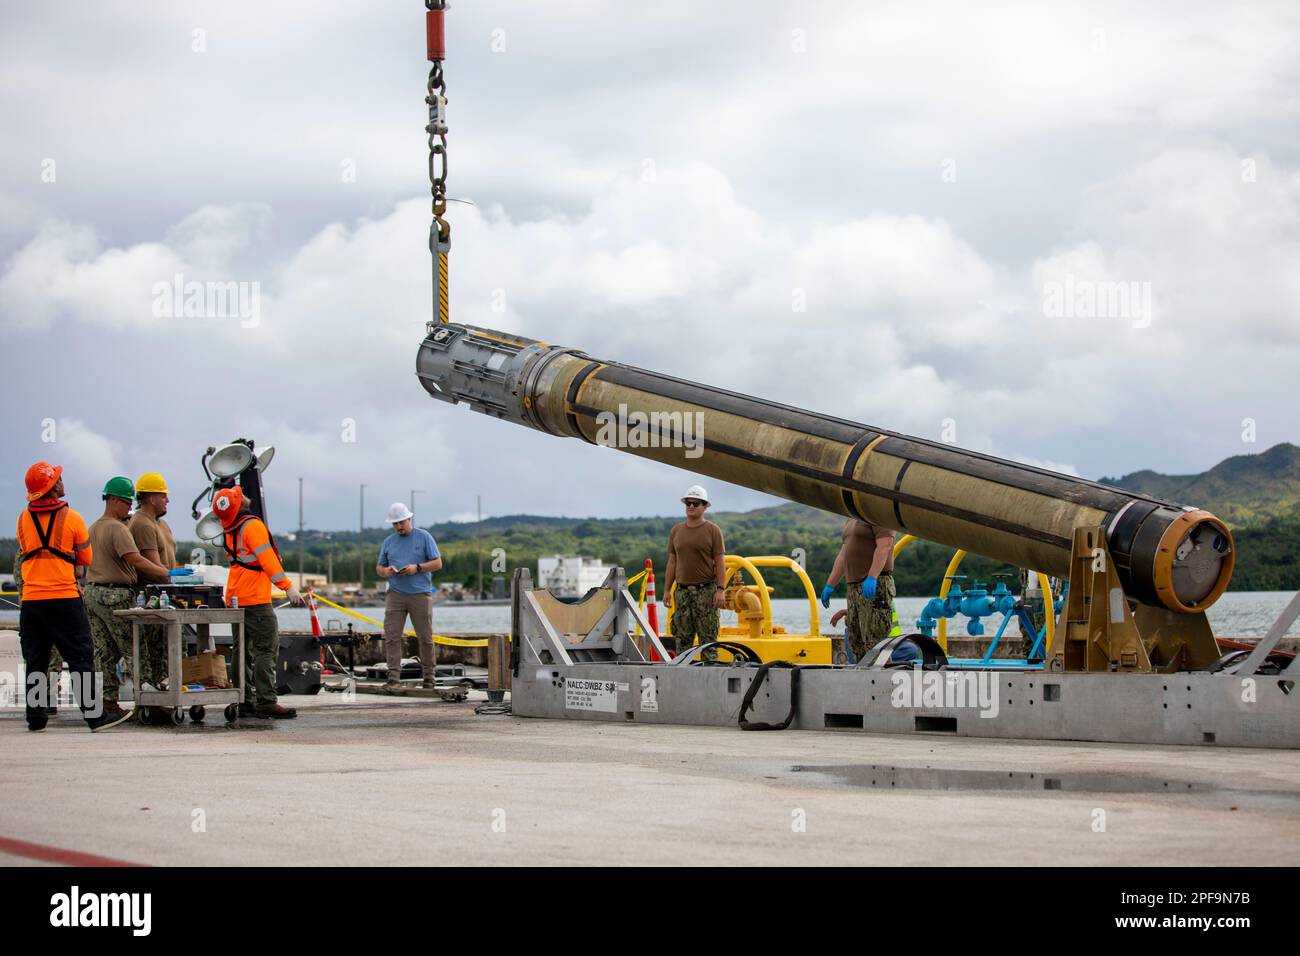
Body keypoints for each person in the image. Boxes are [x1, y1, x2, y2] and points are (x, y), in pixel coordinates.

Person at [15, 461, 130, 732]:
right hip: (63, 598)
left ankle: (36, 718)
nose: (62, 481)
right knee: (80, 657)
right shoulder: (73, 518)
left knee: (36, 660)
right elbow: (85, 558)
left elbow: (24, 550)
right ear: (52, 487)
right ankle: (95, 717)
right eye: (58, 478)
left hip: (31, 601)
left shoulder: (23, 518)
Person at [213, 486, 303, 718]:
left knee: (241, 650)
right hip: (255, 597)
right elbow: (268, 560)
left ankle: (243, 700)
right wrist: (288, 587)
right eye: (238, 494)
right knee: (265, 648)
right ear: (238, 504)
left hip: (235, 595)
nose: (243, 494)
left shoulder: (231, 528)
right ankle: (266, 701)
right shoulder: (252, 526)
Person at [84, 477, 170, 713]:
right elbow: (135, 560)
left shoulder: (93, 527)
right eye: (124, 502)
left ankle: (108, 702)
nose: (128, 508)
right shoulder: (117, 528)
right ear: (112, 500)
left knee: (104, 651)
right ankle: (148, 701)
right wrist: (167, 573)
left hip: (92, 593)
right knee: (134, 649)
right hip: (116, 596)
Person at [376, 502, 443, 690]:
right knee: (392, 637)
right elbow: (379, 568)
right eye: (395, 524)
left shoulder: (424, 537)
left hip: (420, 594)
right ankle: (393, 678)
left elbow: (438, 563)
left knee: (425, 637)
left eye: (401, 522)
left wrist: (418, 567)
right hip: (395, 594)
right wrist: (386, 571)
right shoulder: (388, 542)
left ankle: (429, 678)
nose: (398, 527)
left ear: (409, 519)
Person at [821, 517, 900, 662]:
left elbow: (885, 545)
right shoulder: (851, 518)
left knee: (875, 643)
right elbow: (843, 555)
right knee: (856, 642)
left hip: (875, 584)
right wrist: (830, 584)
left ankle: (881, 680)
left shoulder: (878, 511)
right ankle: (863, 678)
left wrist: (872, 576)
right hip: (853, 587)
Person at [662, 484, 726, 656]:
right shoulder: (676, 530)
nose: (691, 506)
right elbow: (672, 561)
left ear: (704, 507)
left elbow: (720, 562)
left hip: (706, 591)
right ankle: (683, 676)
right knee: (682, 639)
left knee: (708, 640)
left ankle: (710, 675)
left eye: (696, 503)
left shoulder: (713, 530)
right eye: (688, 503)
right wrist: (667, 590)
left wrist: (720, 589)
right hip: (682, 592)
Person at [128, 471, 177, 686]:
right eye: (164, 495)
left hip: (166, 590)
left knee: (172, 646)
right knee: (156, 648)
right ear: (151, 498)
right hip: (151, 593)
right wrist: (173, 577)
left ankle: (167, 686)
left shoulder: (160, 524)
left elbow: (166, 563)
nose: (168, 499)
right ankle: (156, 693)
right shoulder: (142, 524)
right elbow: (153, 567)